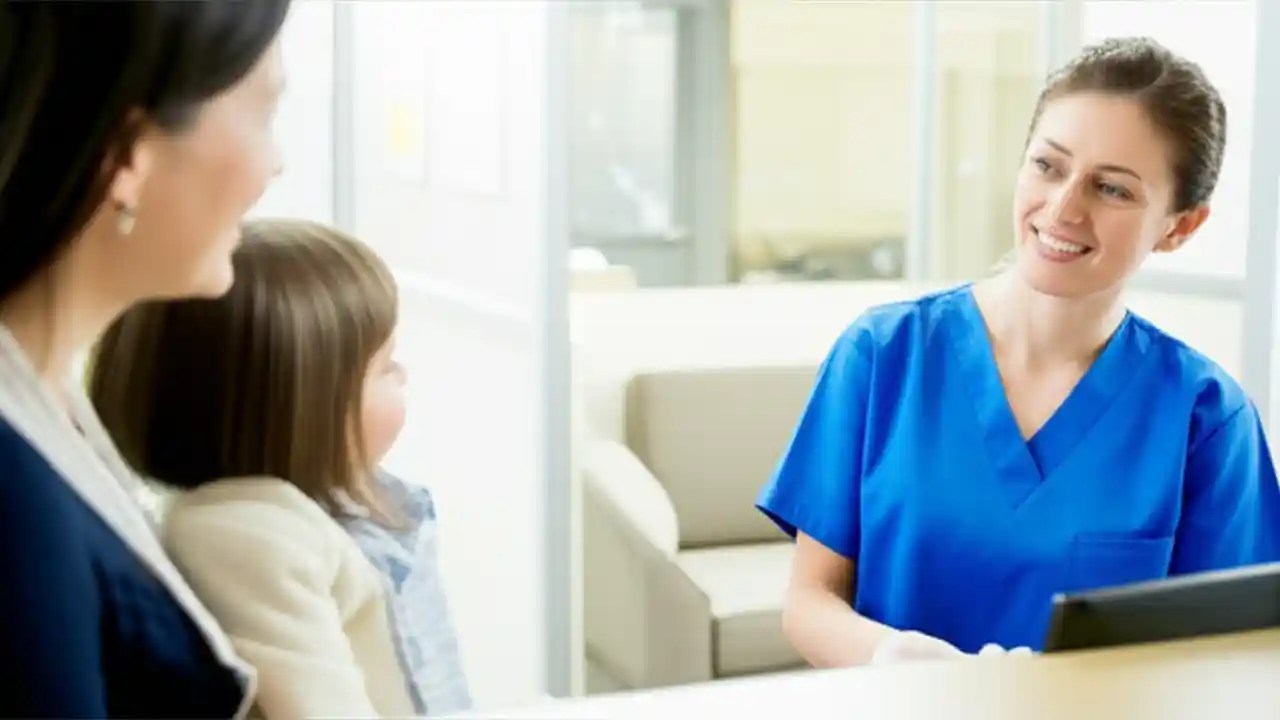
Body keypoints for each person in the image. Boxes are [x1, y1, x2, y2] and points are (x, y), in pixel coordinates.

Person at [756, 36, 1280, 668]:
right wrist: (894, 659)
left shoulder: (1206, 418)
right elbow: (809, 601)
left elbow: (1232, 656)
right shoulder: (884, 357)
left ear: (1180, 226)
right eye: (1048, 166)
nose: (1063, 209)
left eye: (1112, 189)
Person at [0, 2, 289, 716]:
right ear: (129, 155)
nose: (275, 163)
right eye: (264, 113)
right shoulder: (12, 499)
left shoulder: (45, 403)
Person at [88, 220, 473, 719]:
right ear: (306, 406)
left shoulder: (331, 510)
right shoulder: (248, 538)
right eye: (384, 367)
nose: (403, 376)